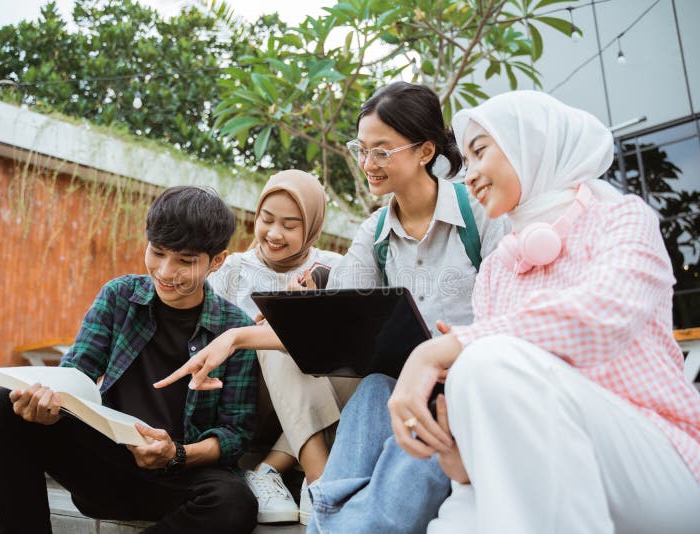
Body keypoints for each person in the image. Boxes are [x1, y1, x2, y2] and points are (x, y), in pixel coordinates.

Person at [155, 81, 506, 530]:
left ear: (424, 151)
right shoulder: (373, 233)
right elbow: (327, 327)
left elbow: (514, 316)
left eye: (382, 151)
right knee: (343, 372)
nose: (367, 164)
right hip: (383, 385)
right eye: (361, 149)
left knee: (390, 494)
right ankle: (320, 483)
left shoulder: (479, 216)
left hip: (460, 386)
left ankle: (328, 499)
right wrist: (236, 336)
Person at [384, 91, 700, 533]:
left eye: (481, 151)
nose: (469, 175)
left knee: (488, 360)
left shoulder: (622, 218)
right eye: (464, 161)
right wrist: (450, 442)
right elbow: (471, 474)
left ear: (534, 142)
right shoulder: (495, 273)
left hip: (665, 469)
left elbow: (602, 317)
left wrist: (440, 350)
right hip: (548, 487)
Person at [0, 186, 260, 534]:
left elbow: (234, 434)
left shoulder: (236, 328)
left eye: (185, 261)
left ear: (216, 261)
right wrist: (47, 405)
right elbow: (75, 375)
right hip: (107, 466)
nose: (165, 271)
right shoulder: (119, 297)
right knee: (4, 407)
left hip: (178, 477)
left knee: (235, 504)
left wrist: (175, 453)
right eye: (157, 252)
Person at [206, 169, 345, 525]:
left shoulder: (335, 269)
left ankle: (269, 469)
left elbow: (351, 344)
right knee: (278, 334)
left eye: (290, 224)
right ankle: (319, 475)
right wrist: (260, 329)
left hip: (320, 399)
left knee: (363, 365)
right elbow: (205, 340)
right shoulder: (231, 270)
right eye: (266, 220)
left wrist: (314, 311)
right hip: (249, 400)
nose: (273, 233)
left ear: (312, 226)